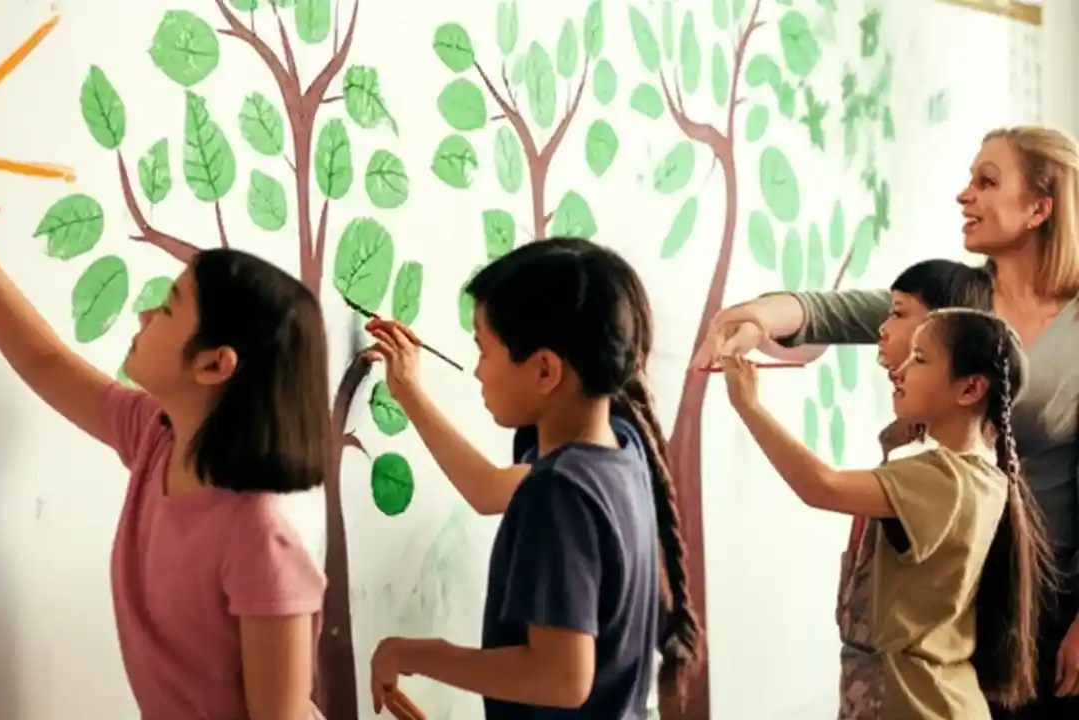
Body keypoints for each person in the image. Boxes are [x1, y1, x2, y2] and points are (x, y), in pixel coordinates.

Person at [693, 125, 1079, 718]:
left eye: (986, 181)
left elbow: (820, 485)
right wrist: (751, 319)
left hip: (1050, 603)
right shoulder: (959, 304)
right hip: (954, 598)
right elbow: (829, 311)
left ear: (1039, 208)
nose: (964, 195)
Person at [0, 157, 329, 719]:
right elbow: (45, 362)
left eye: (166, 308)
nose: (142, 315)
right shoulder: (155, 439)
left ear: (213, 365)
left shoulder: (260, 545)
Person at [361, 239, 701, 713]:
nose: (477, 371)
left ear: (545, 370)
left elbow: (560, 679)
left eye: (483, 350)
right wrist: (411, 393)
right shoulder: (619, 448)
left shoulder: (559, 492)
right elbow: (486, 489)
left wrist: (416, 653)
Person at [722, 308, 1052, 718]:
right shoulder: (978, 474)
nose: (899, 370)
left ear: (969, 389)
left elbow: (821, 485)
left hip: (915, 702)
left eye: (919, 359)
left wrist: (749, 405)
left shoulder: (941, 477)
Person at [837, 259, 994, 719]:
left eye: (899, 314)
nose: (883, 330)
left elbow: (819, 486)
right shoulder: (909, 435)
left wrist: (747, 402)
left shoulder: (943, 456)